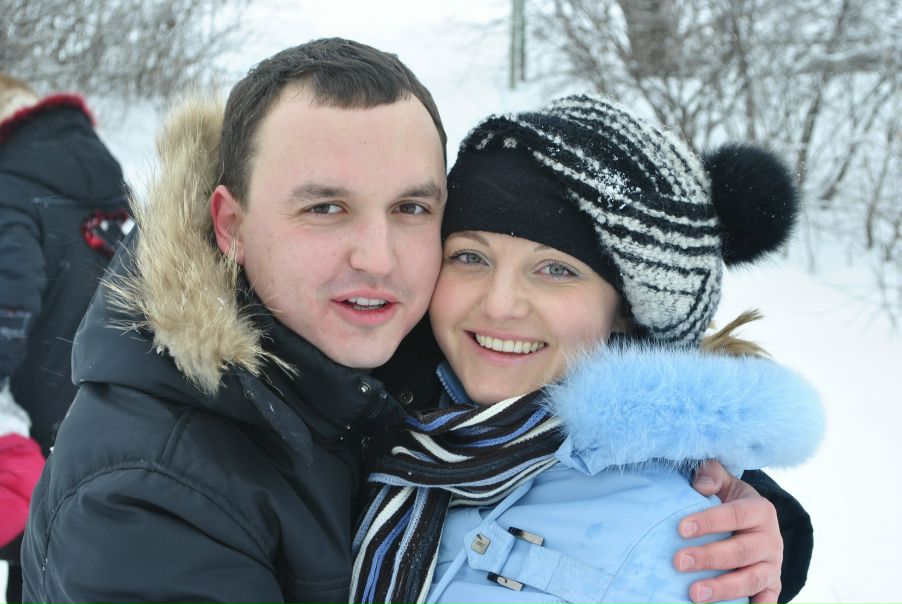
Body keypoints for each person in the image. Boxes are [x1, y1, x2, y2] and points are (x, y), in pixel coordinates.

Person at [22, 40, 807, 603]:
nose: (377, 258)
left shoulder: (387, 363)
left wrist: (751, 528)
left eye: (410, 209)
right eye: (325, 208)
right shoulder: (151, 497)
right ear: (231, 224)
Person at [350, 95, 823, 604]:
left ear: (626, 309)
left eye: (556, 269)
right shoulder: (368, 401)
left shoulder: (684, 545)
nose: (500, 305)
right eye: (470, 257)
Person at [0, 73, 131, 604]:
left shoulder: (10, 184)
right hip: (113, 419)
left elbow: (8, 307)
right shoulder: (104, 178)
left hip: (39, 430)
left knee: (37, 572)